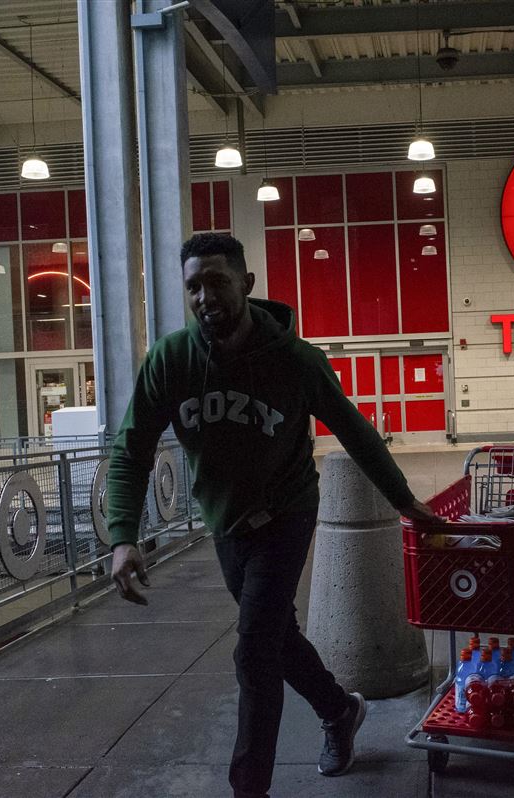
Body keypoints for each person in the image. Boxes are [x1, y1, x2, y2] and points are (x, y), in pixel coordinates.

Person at [107, 233, 440, 798]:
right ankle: (338, 710)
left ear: (247, 284)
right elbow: (132, 447)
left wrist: (405, 502)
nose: (205, 296)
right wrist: (123, 535)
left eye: (217, 281)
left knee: (254, 650)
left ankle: (249, 788)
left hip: (287, 512)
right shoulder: (172, 360)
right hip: (227, 523)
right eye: (194, 285)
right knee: (276, 636)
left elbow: (354, 430)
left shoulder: (295, 360)